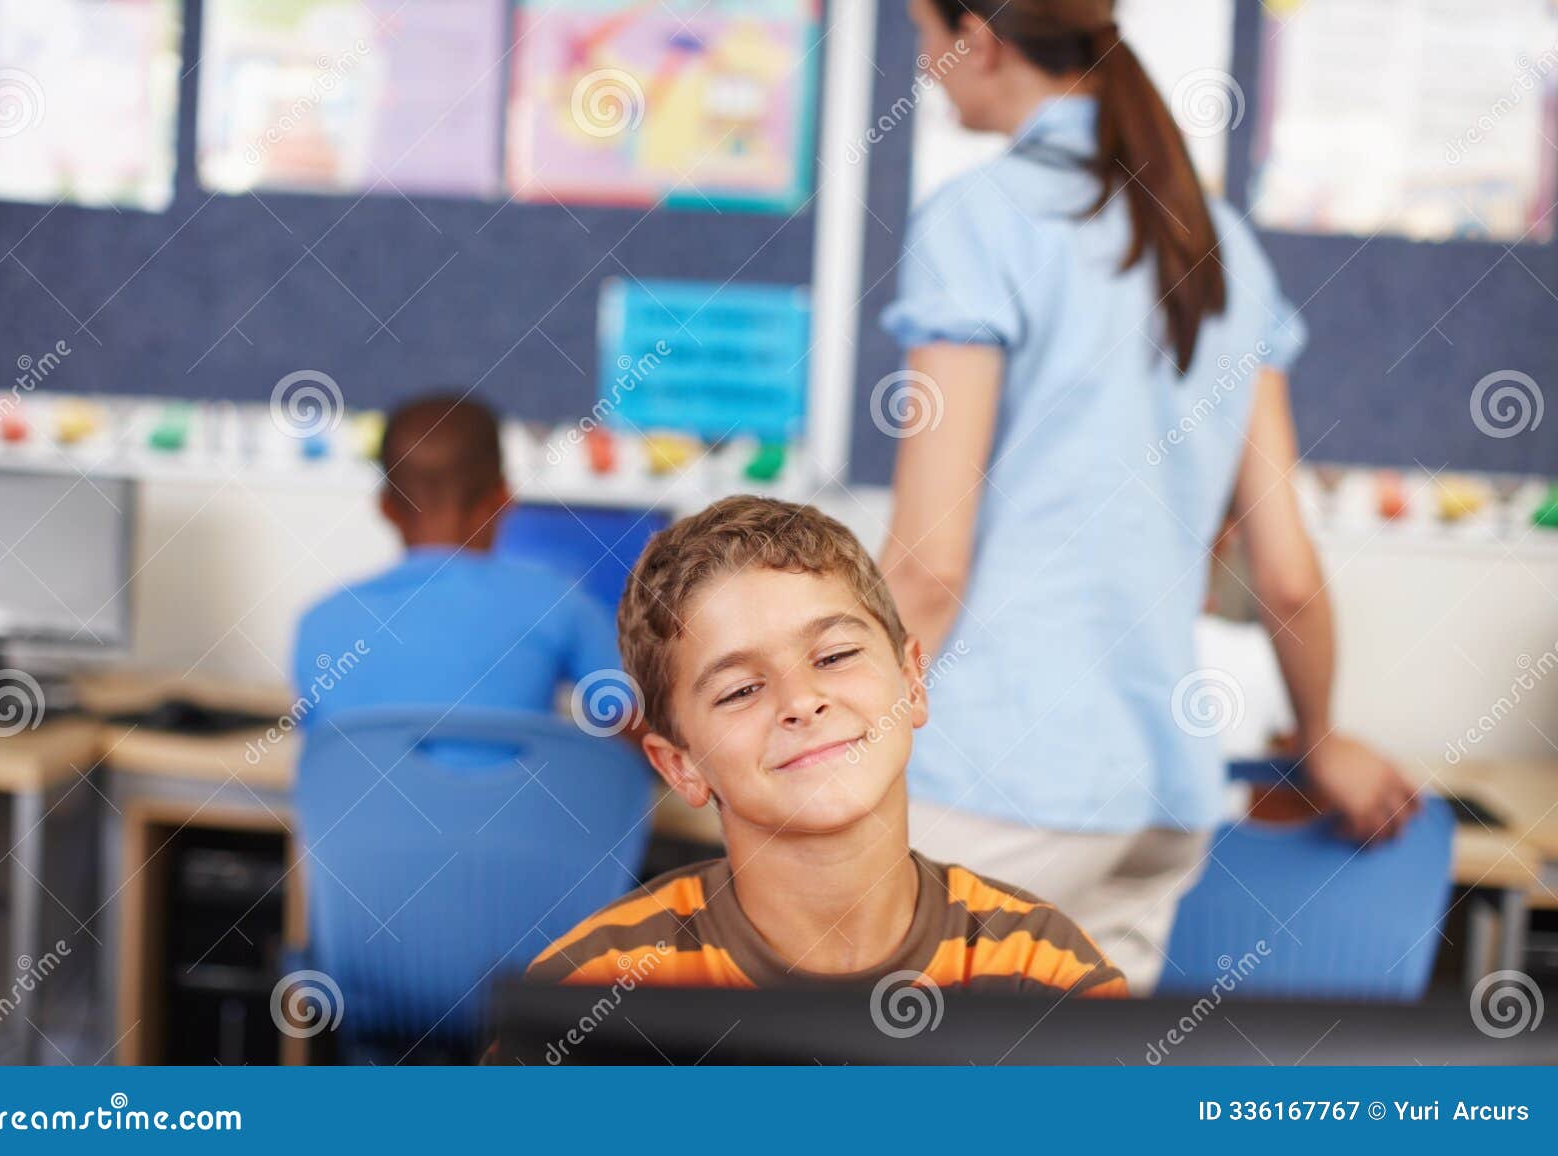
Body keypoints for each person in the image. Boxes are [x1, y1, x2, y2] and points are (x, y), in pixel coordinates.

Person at [875, 0, 1419, 993]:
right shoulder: (1221, 243)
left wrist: (819, 725)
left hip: (993, 786)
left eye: (925, 37)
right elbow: (1286, 575)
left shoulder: (976, 221)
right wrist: (1320, 736)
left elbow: (927, 568)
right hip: (1157, 802)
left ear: (979, 40)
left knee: (848, 1058)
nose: (924, 66)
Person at [524, 496, 1126, 999]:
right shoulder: (594, 989)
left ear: (912, 683)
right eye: (741, 690)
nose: (801, 701)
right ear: (681, 767)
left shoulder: (1044, 972)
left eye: (835, 657)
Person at [291, 394, 622, 729]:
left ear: (386, 508)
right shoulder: (559, 604)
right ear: (503, 499)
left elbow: (325, 751)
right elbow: (634, 726)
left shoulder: (319, 624)